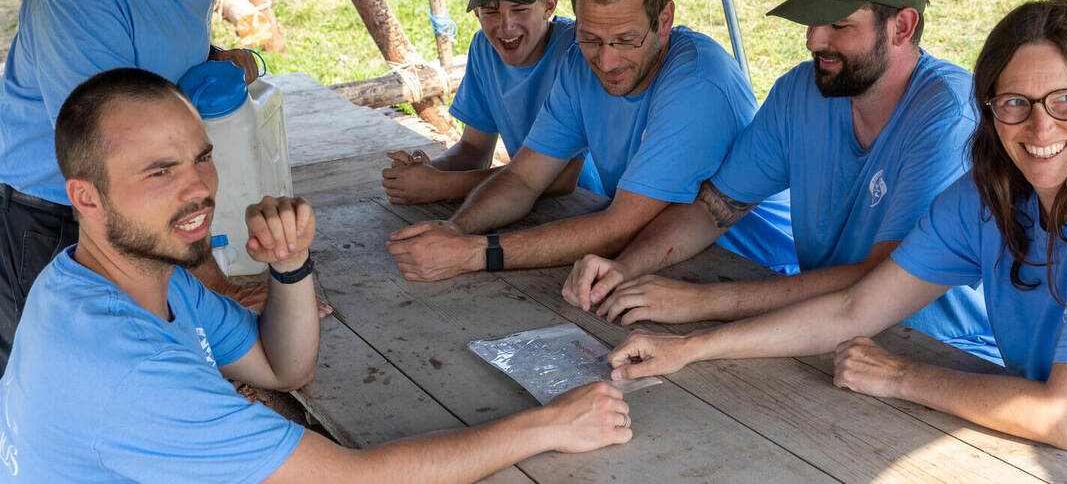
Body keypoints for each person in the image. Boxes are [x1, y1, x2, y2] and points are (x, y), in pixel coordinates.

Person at [605, 0, 1067, 450]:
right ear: (990, 110)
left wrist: (900, 376)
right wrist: (692, 349)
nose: (1041, 128)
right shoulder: (989, 195)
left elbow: (1065, 418)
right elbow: (854, 310)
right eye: (1015, 103)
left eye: (1066, 100)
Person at [0, 68, 632, 482]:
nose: (199, 190)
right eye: (160, 172)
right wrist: (550, 424)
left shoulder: (113, 278)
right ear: (85, 197)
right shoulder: (127, 366)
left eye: (202, 158)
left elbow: (283, 368)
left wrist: (290, 266)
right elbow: (353, 480)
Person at [563, 0, 995, 360]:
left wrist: (703, 301)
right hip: (817, 331)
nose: (813, 41)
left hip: (940, 350)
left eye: (838, 26)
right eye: (812, 22)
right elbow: (713, 209)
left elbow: (881, 276)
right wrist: (626, 267)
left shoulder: (948, 115)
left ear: (902, 26)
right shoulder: (800, 92)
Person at [386, 0, 797, 281]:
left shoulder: (697, 85)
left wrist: (476, 253)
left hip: (755, 268)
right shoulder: (578, 65)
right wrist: (456, 229)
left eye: (626, 40)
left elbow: (619, 226)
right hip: (656, 262)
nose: (606, 61)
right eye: (590, 38)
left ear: (664, 19)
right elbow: (525, 178)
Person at [0, 0, 271, 370]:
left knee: (139, 369)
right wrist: (216, 293)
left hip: (140, 197)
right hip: (57, 215)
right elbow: (119, 158)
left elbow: (149, 47)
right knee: (52, 378)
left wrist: (212, 58)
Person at [381, 0, 603, 204]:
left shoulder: (578, 51)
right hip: (525, 202)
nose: (506, 26)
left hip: (592, 204)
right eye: (490, 11)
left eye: (519, 9)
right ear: (476, 13)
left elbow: (563, 178)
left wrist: (441, 185)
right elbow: (474, 150)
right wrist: (428, 172)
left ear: (549, 6)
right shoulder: (484, 49)